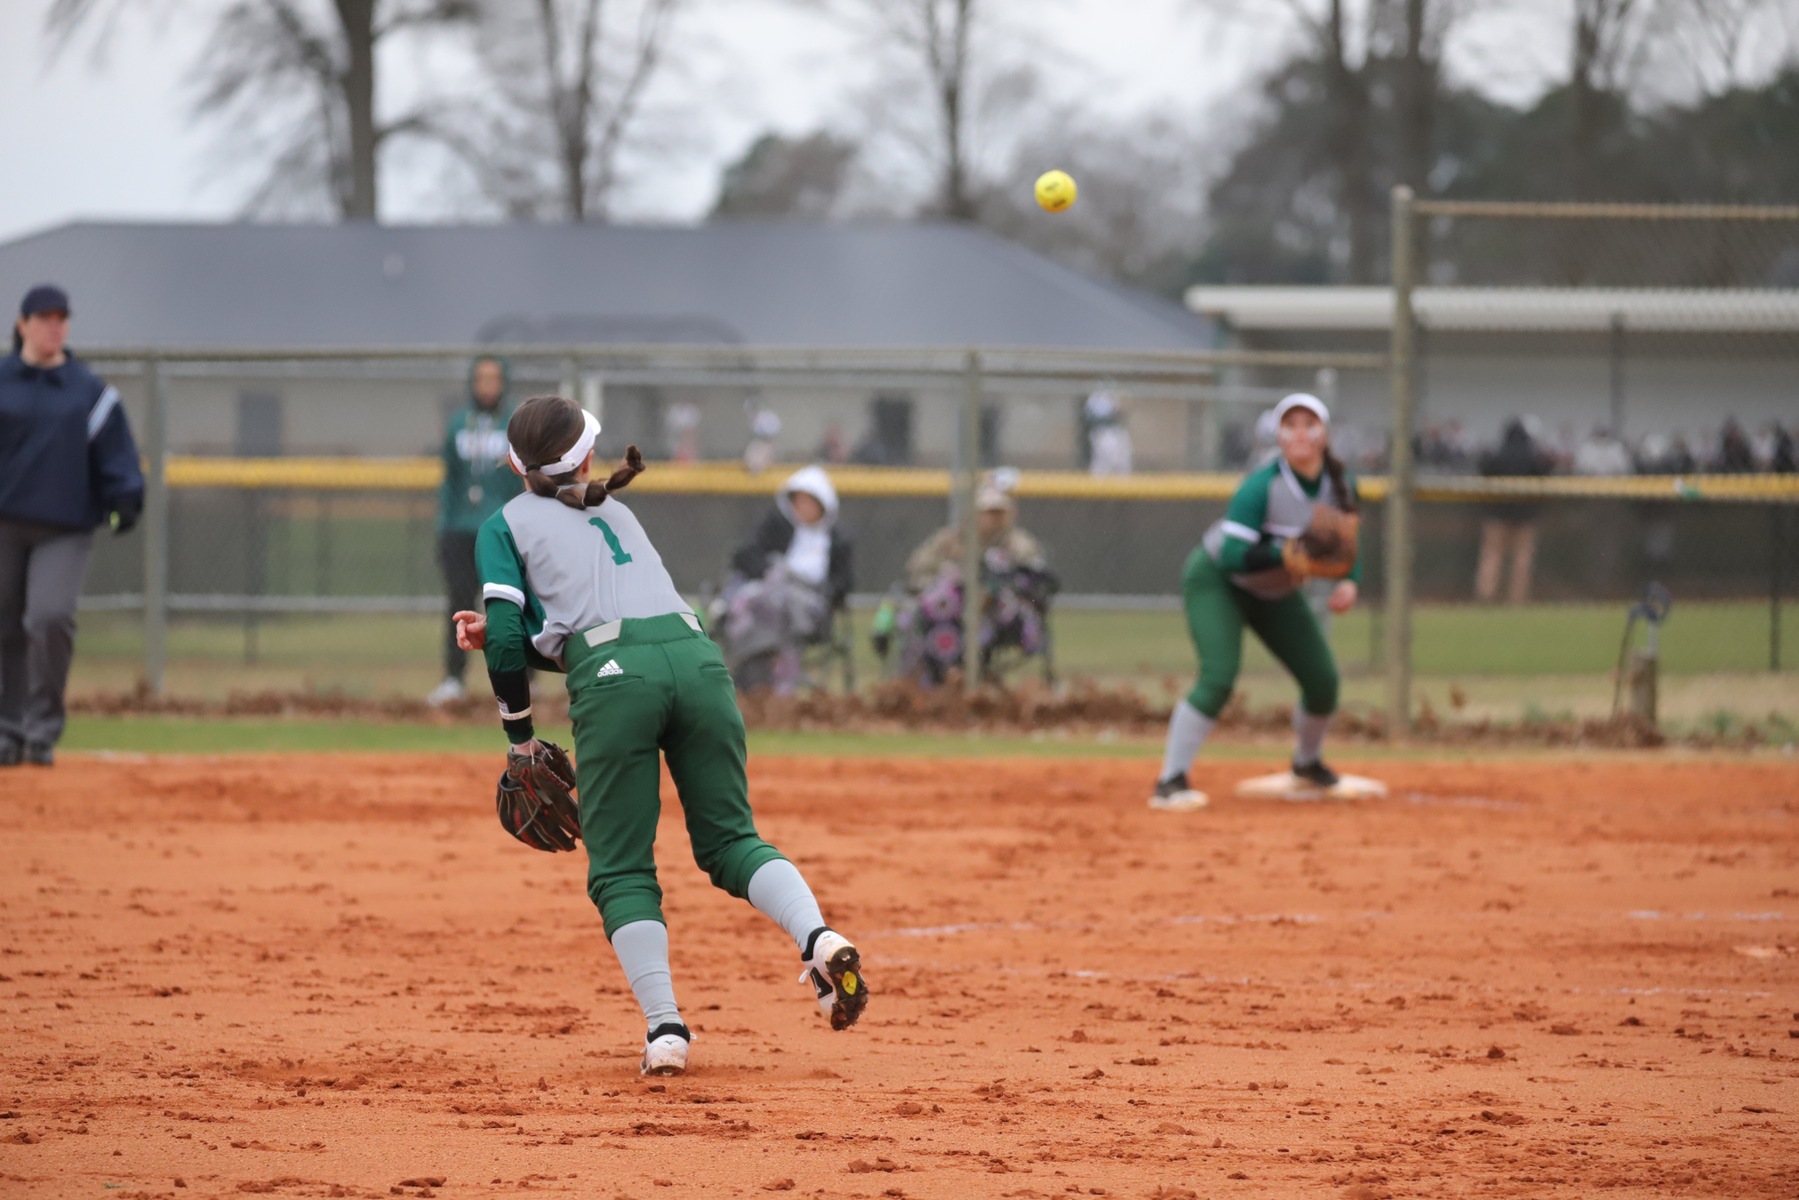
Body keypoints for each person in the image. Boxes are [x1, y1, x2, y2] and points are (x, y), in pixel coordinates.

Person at [451, 395, 867, 1076]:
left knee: (621, 868)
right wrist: (522, 647)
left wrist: (520, 736)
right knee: (731, 841)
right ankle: (818, 938)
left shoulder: (504, 523)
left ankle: (666, 1030)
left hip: (615, 682)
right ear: (585, 456)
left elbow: (534, 638)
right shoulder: (617, 509)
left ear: (510, 461)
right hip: (698, 659)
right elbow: (612, 625)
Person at [1149, 393, 1359, 812]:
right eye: (1290, 425)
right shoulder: (1262, 486)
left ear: (1325, 433)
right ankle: (1170, 780)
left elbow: (1347, 544)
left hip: (1276, 592)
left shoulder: (1340, 483)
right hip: (1218, 583)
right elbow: (1230, 556)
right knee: (1219, 676)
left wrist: (1349, 581)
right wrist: (1284, 552)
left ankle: (1307, 765)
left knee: (1322, 681)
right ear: (1278, 436)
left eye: (1309, 424)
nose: (1300, 434)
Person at [0, 284, 143, 767]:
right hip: (4, 523)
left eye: (60, 318)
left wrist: (125, 496)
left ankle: (41, 730)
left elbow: (116, 452)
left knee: (48, 616)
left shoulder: (89, 392)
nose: (53, 326)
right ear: (22, 325)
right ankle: (7, 727)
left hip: (64, 525)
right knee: (5, 625)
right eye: (43, 318)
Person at [427, 356, 515, 707]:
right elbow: (449, 478)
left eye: (494, 378)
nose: (487, 385)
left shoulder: (514, 424)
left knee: (510, 606)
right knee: (460, 605)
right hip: (461, 530)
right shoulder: (458, 424)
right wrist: (445, 526)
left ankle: (521, 682)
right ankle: (453, 679)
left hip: (500, 530)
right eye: (481, 378)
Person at [719, 466, 854, 692]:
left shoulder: (837, 540)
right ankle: (755, 678)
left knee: (777, 606)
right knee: (756, 605)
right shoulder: (777, 529)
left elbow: (842, 584)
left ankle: (776, 685)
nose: (803, 508)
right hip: (769, 600)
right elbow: (745, 556)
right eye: (798, 501)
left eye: (809, 502)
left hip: (808, 607)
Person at [1475, 418, 1553, 604]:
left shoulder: (1498, 455)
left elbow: (1484, 468)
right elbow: (1545, 471)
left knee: (1492, 556)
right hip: (1525, 516)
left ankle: (1486, 595)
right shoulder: (1531, 457)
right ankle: (1517, 598)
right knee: (1522, 559)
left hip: (1497, 515)